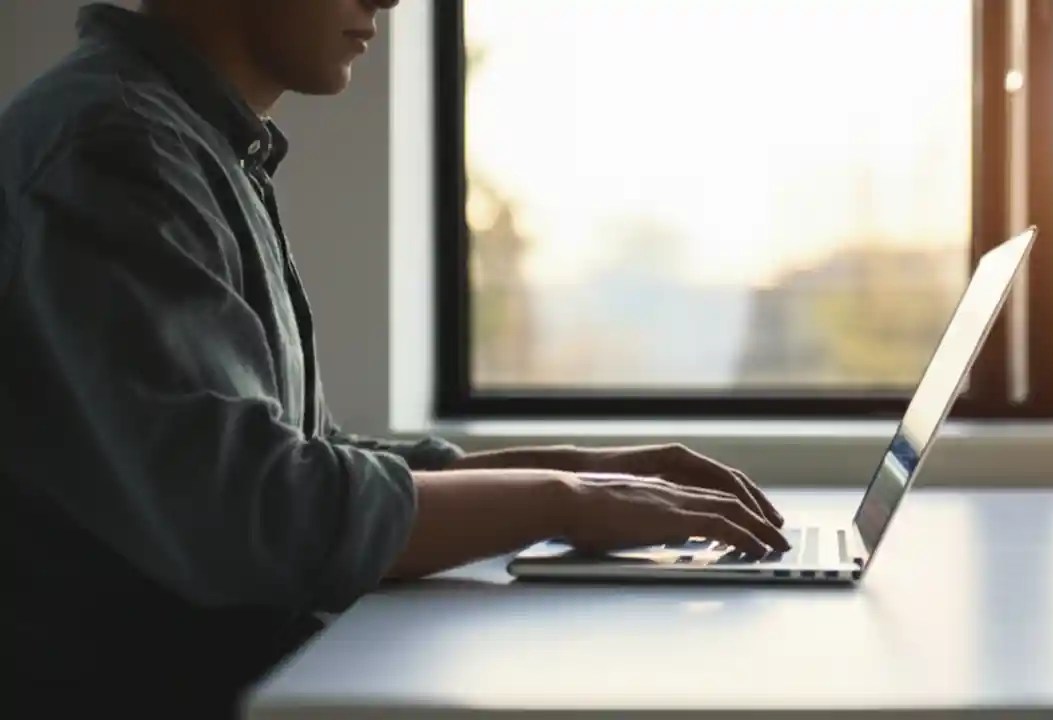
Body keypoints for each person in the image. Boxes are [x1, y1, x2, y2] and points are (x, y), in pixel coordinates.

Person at [0, 1, 789, 714]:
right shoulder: (116, 151)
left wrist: (577, 471)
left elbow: (297, 460)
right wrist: (557, 500)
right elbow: (252, 512)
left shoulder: (185, 139)